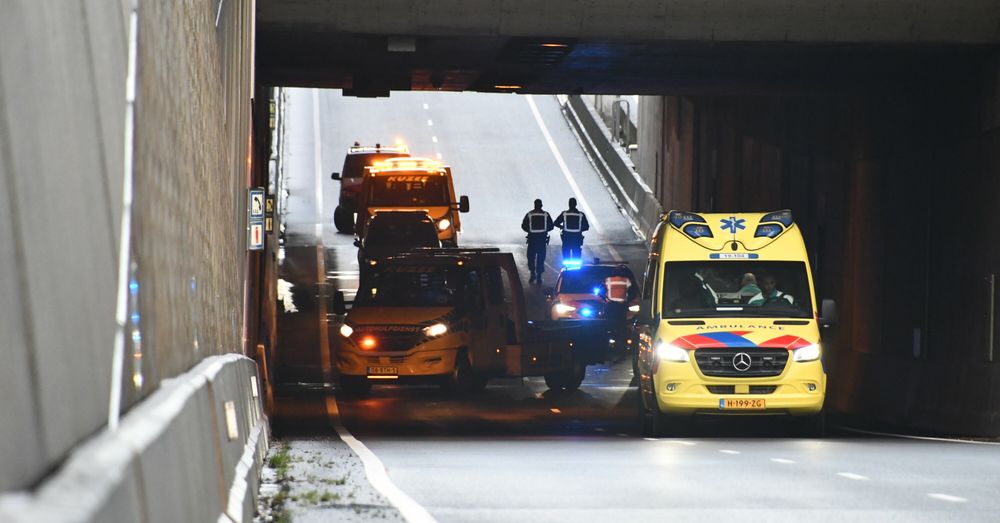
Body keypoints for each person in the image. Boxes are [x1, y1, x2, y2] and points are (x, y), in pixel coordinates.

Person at [521, 199, 554, 284]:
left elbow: (523, 226)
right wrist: (544, 231)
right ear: (541, 205)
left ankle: (532, 273)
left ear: (534, 205)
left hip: (532, 240)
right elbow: (551, 226)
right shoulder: (546, 215)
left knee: (531, 257)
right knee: (541, 258)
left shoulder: (529, 214)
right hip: (542, 240)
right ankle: (539, 276)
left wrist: (530, 231)